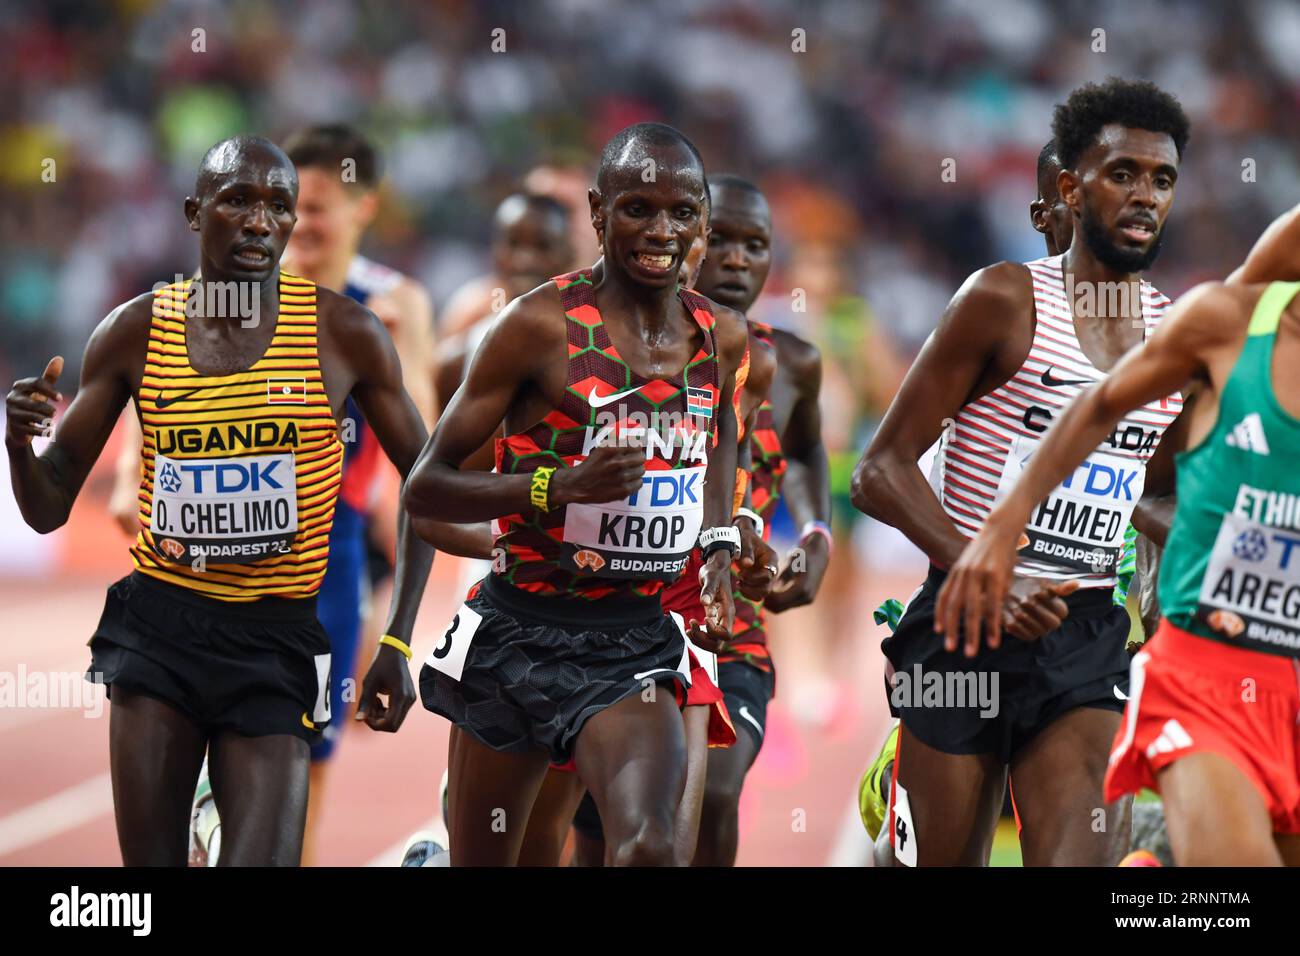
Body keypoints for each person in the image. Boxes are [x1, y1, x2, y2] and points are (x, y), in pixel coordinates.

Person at [5, 136, 434, 865]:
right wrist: (20, 444)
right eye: (238, 200)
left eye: (279, 207)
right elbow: (48, 507)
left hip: (278, 642)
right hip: (159, 634)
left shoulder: (345, 335)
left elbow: (428, 485)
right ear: (193, 212)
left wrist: (396, 638)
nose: (260, 222)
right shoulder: (135, 331)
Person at [850, 79, 1190, 866]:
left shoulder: (1175, 337)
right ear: (1069, 188)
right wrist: (992, 574)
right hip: (961, 632)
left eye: (1162, 179)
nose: (1144, 196)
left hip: (1086, 639)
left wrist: (1217, 561)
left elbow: (1158, 489)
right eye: (1123, 174)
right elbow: (879, 471)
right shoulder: (1004, 300)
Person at [403, 123, 749, 866]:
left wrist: (718, 546)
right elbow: (425, 488)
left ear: (704, 222)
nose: (661, 231)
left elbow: (719, 437)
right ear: (597, 211)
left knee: (650, 848)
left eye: (681, 213)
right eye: (637, 209)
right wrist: (556, 488)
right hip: (519, 631)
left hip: (633, 639)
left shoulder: (718, 335)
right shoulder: (537, 326)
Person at [935, 270, 1300, 865]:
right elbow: (1109, 418)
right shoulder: (1228, 324)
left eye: (1161, 182)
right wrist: (1002, 528)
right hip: (1205, 672)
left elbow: (1146, 490)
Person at [690, 174, 832, 866]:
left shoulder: (792, 363)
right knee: (607, 823)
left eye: (756, 245)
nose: (738, 260)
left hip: (732, 631)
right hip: (620, 617)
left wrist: (816, 536)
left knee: (715, 793)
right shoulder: (626, 357)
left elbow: (805, 452)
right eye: (720, 239)